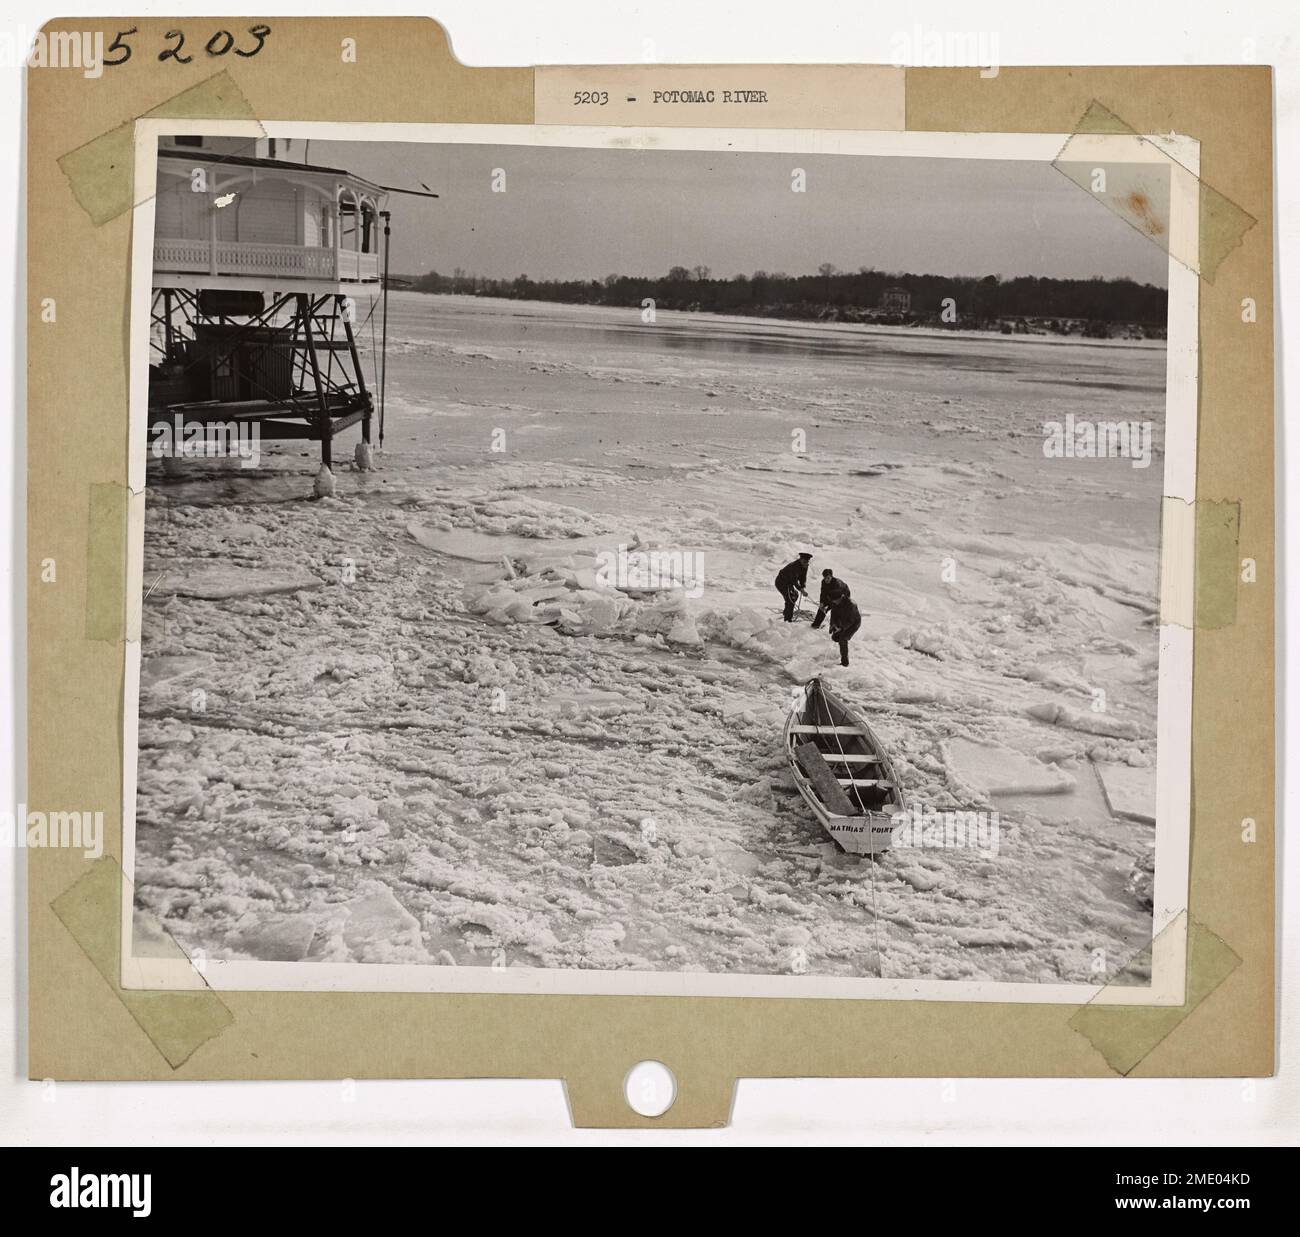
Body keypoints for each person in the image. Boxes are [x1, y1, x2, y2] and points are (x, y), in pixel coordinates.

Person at [774, 552, 813, 622]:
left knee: (794, 596)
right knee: (790, 599)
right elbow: (794, 581)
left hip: (789, 583)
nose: (806, 563)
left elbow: (803, 578)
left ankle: (786, 612)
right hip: (781, 582)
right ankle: (788, 619)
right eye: (804, 561)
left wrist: (803, 586)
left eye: (807, 562)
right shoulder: (794, 566)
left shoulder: (805, 566)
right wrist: (801, 590)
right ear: (800, 560)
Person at [828, 592, 861, 667]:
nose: (834, 602)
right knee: (835, 637)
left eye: (835, 601)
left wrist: (841, 628)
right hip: (842, 620)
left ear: (841, 598)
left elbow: (851, 620)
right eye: (833, 601)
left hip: (853, 623)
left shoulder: (851, 605)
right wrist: (832, 624)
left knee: (843, 639)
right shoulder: (835, 602)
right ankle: (841, 646)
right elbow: (833, 614)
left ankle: (845, 663)